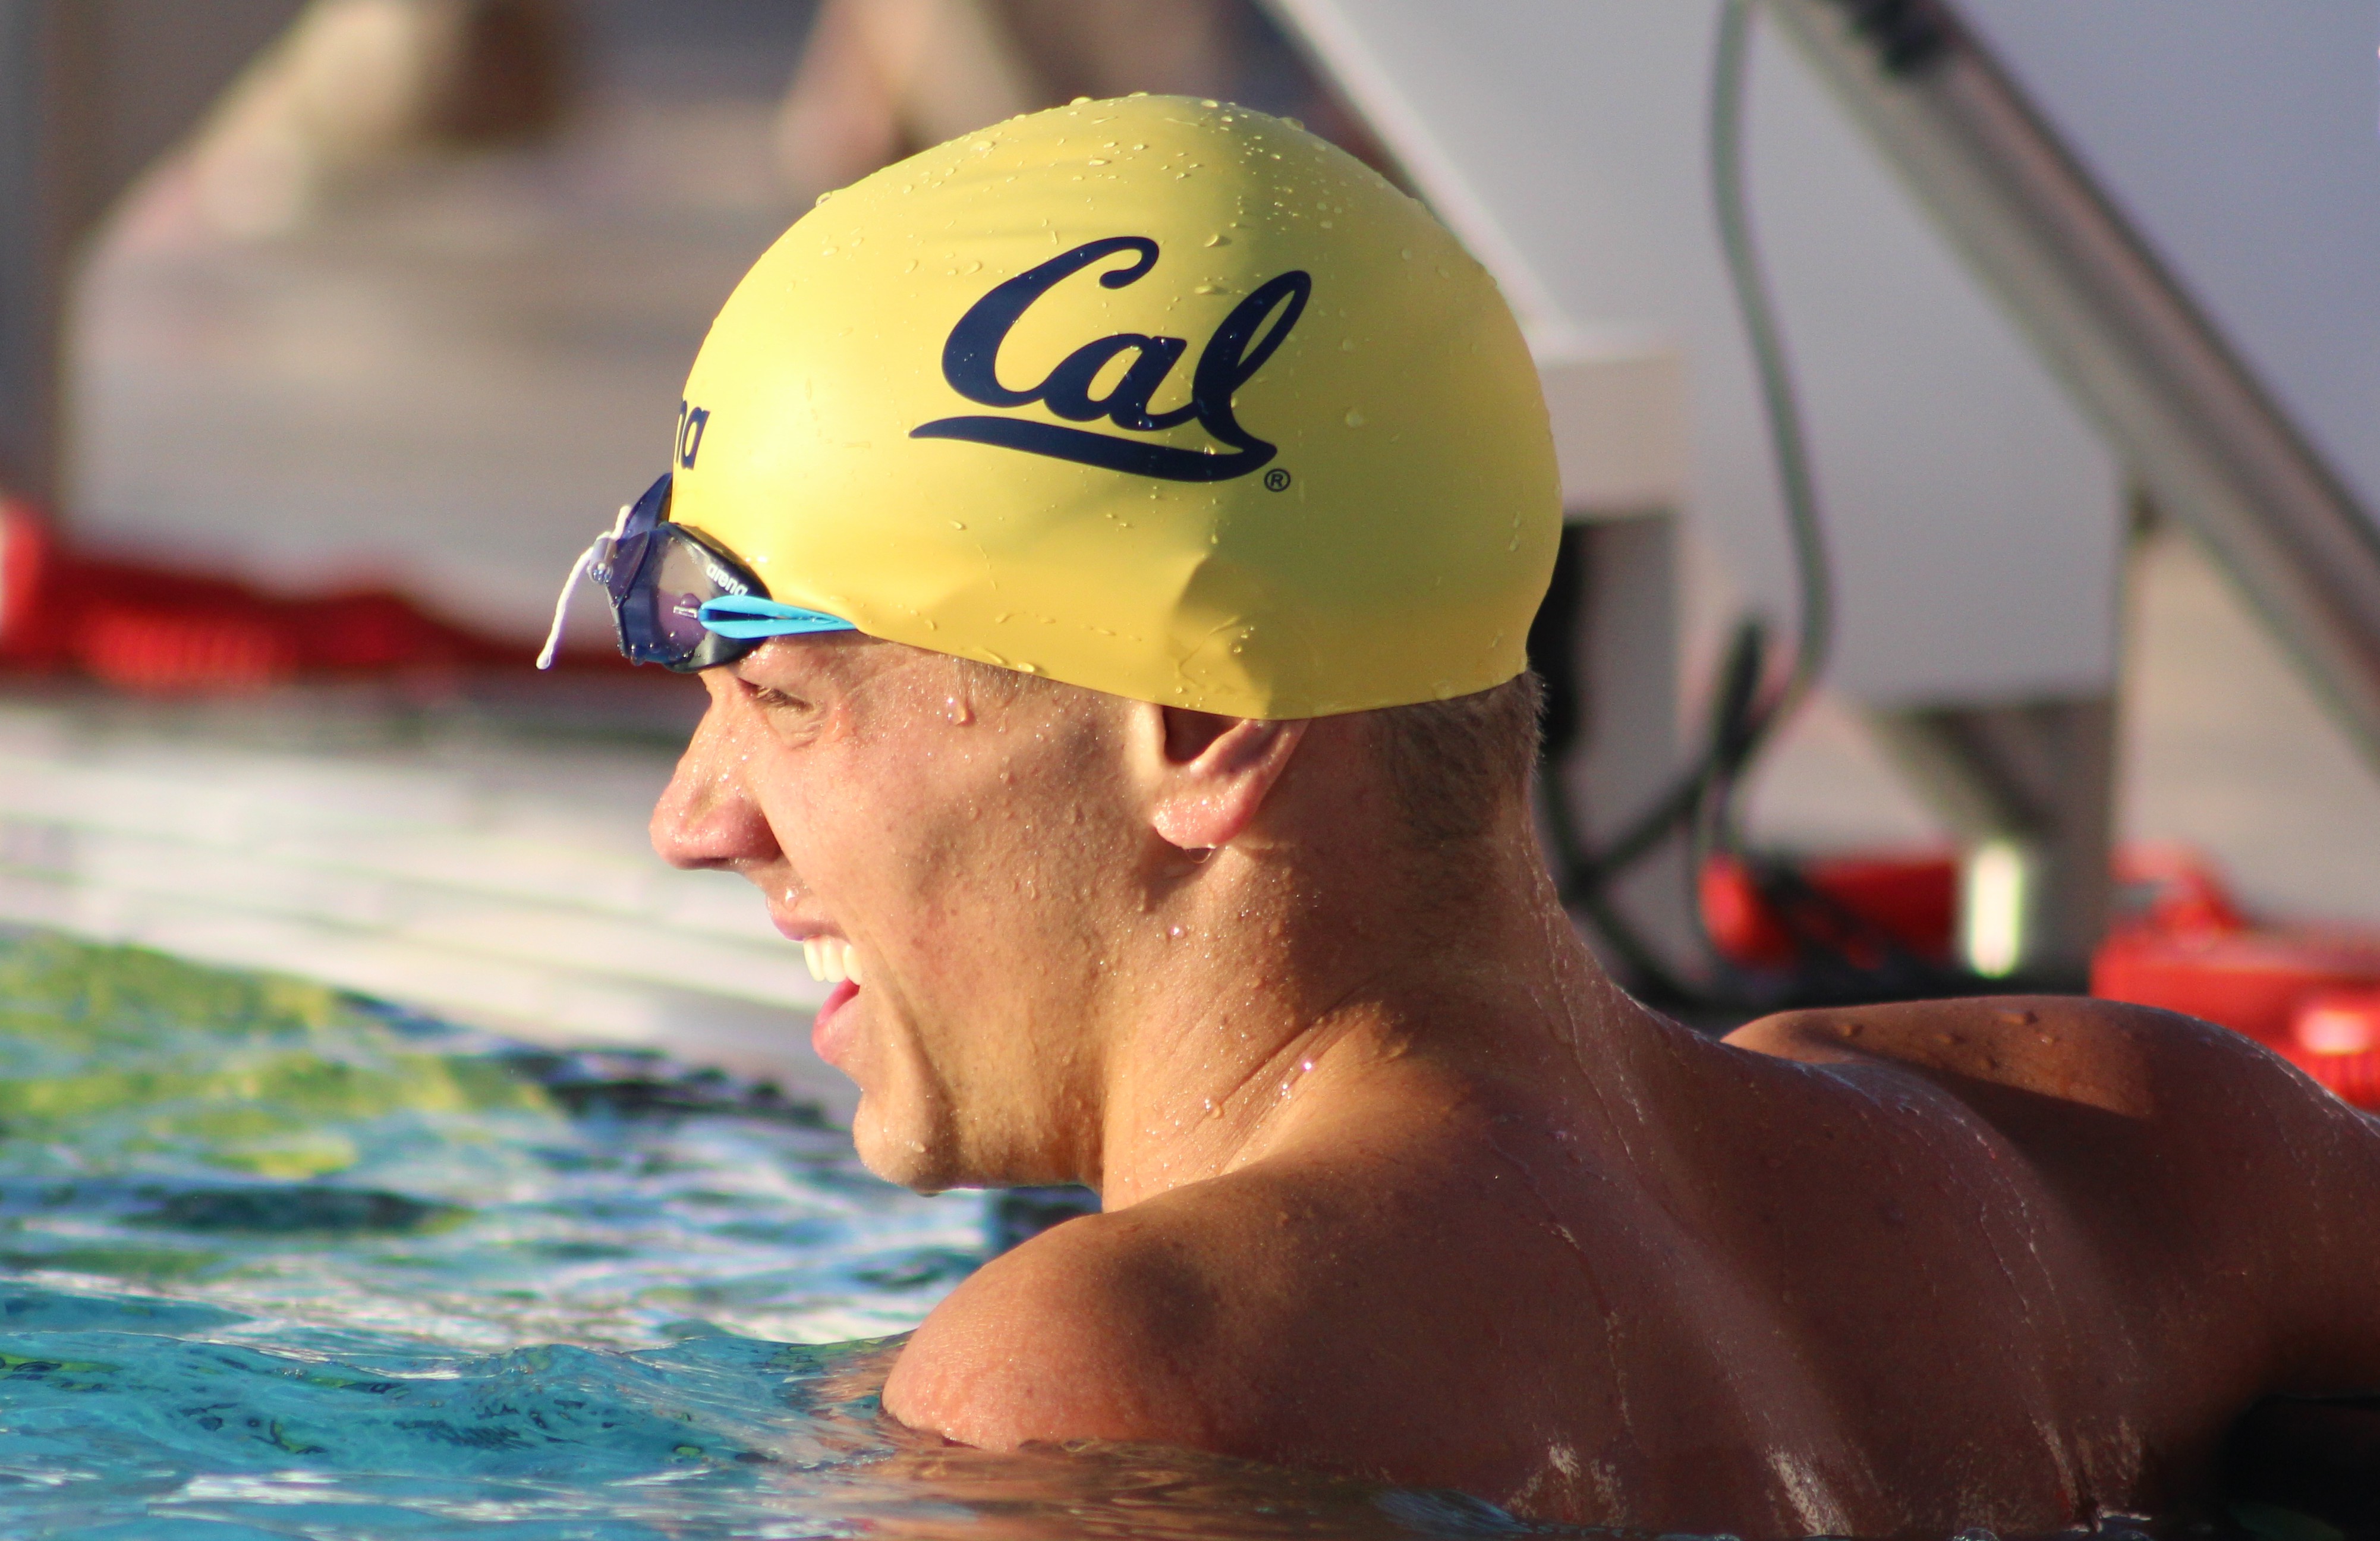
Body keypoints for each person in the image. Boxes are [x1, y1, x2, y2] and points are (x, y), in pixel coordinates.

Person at [543, 96, 2380, 1537]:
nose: (696, 820)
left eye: (779, 694)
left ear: (1200, 727)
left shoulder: (1100, 1388)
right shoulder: (2148, 1156)